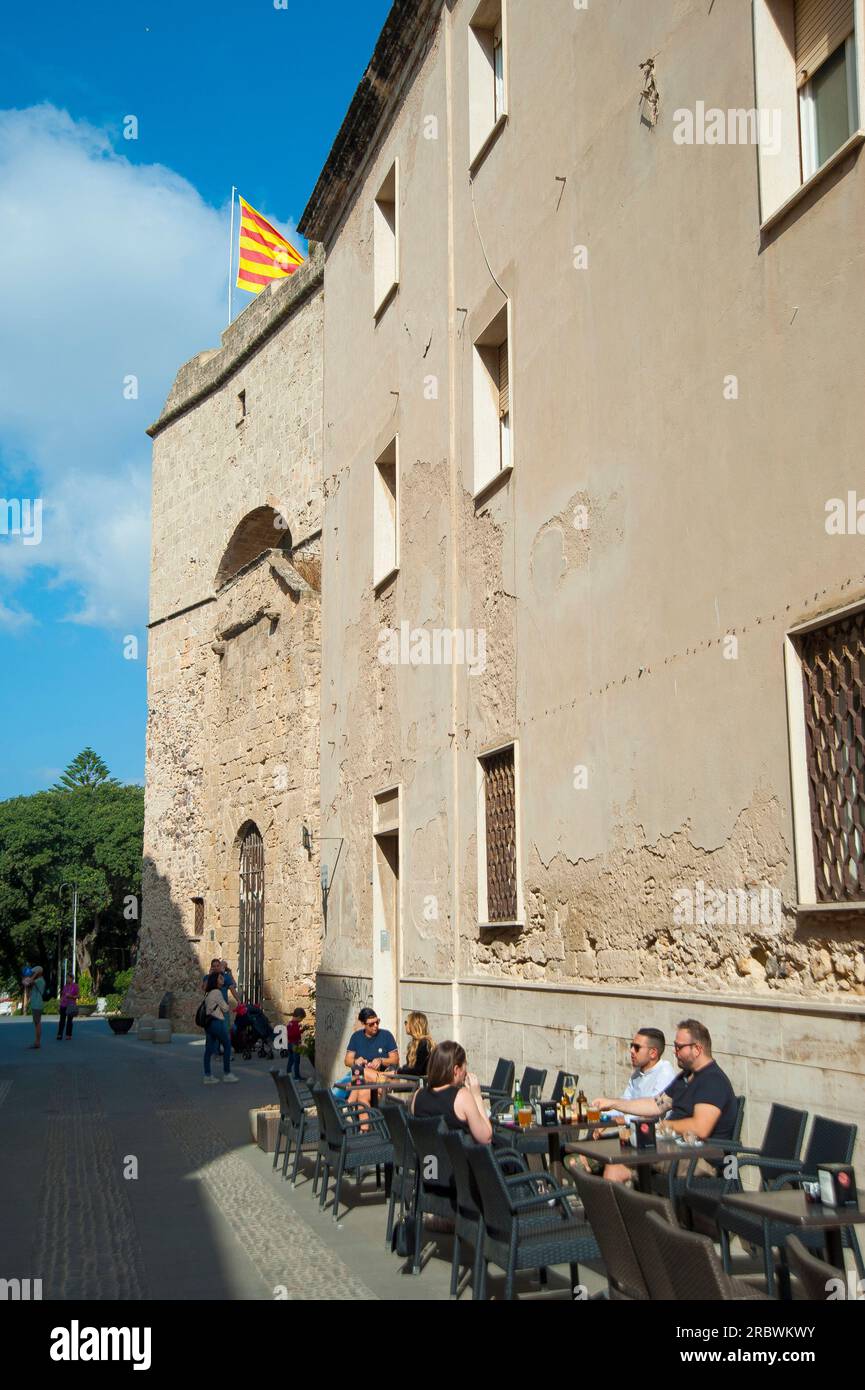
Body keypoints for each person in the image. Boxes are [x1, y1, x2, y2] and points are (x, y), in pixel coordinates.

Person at [590, 1018, 737, 1183]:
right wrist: (613, 1103)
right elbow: (656, 1105)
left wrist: (663, 1126)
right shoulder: (685, 1077)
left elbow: (700, 1128)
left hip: (701, 1161)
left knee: (617, 1161)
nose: (674, 1052)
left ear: (697, 1049)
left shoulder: (713, 1080)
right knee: (614, 1162)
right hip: (674, 1151)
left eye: (679, 1047)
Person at [410, 1040, 492, 1144]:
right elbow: (486, 1138)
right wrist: (477, 1096)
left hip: (429, 1158)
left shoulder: (418, 1095)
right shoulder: (462, 1096)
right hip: (460, 1159)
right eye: (465, 1065)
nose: (465, 1071)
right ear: (456, 1070)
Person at [344, 1007, 399, 1108]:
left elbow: (395, 1059)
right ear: (363, 1024)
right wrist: (356, 1061)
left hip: (383, 1082)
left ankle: (350, 1101)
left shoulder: (386, 1035)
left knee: (360, 1072)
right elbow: (347, 1060)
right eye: (371, 1024)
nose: (375, 1026)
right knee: (361, 1097)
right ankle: (365, 1123)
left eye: (377, 1022)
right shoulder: (356, 1037)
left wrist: (381, 1060)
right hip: (368, 1083)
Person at [203, 970, 238, 1084]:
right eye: (220, 978)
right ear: (215, 981)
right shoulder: (217, 993)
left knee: (208, 1050)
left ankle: (207, 1075)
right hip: (217, 1022)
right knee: (227, 1046)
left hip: (209, 1023)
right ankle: (227, 1073)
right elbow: (225, 1008)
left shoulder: (209, 993)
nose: (222, 979)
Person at [397, 1010, 435, 1078]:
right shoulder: (413, 1044)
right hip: (415, 1082)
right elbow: (411, 1067)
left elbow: (417, 1070)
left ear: (413, 1025)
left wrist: (398, 1071)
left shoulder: (424, 1044)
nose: (405, 1025)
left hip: (424, 1084)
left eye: (406, 1022)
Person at [27, 967, 46, 1049]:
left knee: (37, 1023)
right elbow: (27, 984)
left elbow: (27, 982)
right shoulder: (38, 981)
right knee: (37, 1023)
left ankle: (37, 1042)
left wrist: (35, 974)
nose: (32, 973)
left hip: (37, 1004)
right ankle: (37, 1041)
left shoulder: (40, 980)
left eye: (34, 972)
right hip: (36, 1004)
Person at [285, 1007, 306, 1080]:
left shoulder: (290, 1023)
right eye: (301, 1019)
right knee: (297, 1060)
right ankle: (297, 1076)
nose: (301, 1021)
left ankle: (288, 1073)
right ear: (299, 1017)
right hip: (295, 1044)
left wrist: (302, 1030)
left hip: (289, 1043)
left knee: (291, 1059)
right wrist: (299, 1031)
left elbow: (289, 1033)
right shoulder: (295, 1024)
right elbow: (294, 1034)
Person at [57, 976, 80, 1041]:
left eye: (68, 978)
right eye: (66, 978)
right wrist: (60, 1003)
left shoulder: (75, 986)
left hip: (71, 1005)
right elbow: (62, 995)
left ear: (72, 979)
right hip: (63, 1005)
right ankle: (60, 1034)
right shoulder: (65, 986)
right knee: (62, 1020)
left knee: (69, 1020)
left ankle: (68, 1035)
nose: (67, 979)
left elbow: (78, 995)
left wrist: (71, 996)